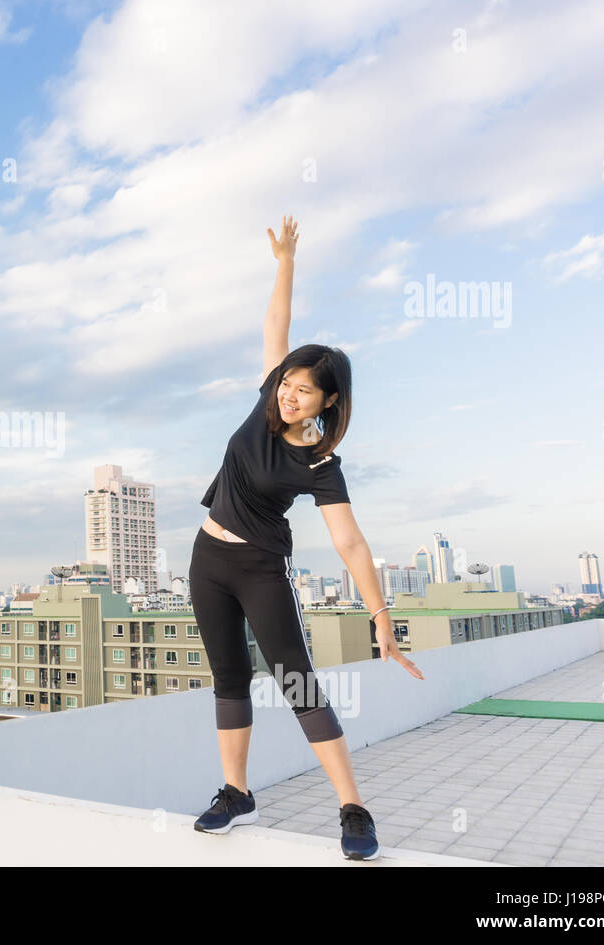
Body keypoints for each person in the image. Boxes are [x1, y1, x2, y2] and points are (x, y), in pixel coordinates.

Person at [188, 215, 425, 862]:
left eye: (304, 392)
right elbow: (275, 327)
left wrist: (380, 614)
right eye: (288, 384)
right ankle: (236, 793)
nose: (290, 396)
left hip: (261, 569)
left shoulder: (319, 464)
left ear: (326, 403)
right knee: (229, 676)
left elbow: (350, 544)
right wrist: (286, 259)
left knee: (295, 682)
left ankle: (353, 808)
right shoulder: (267, 396)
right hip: (206, 559)